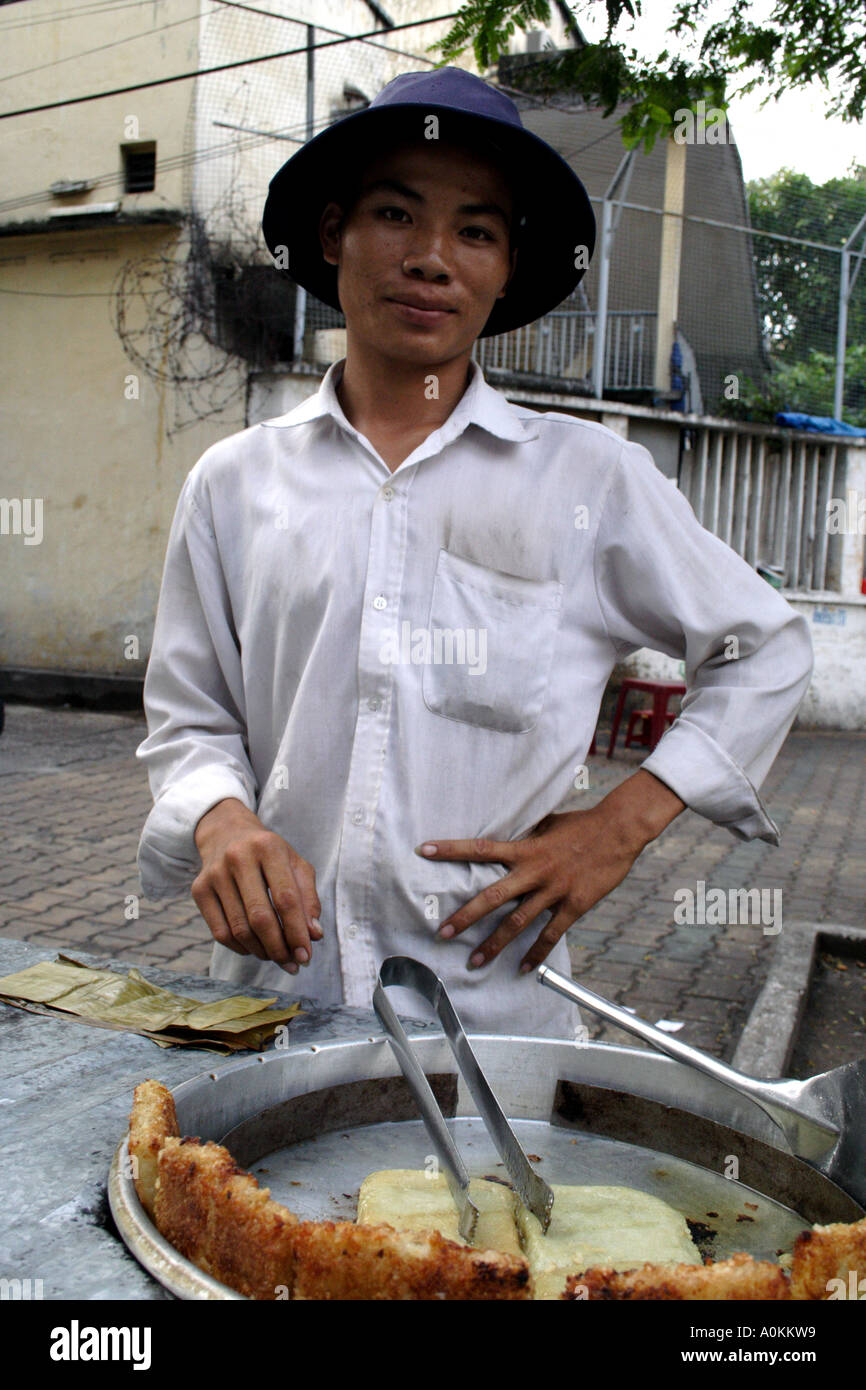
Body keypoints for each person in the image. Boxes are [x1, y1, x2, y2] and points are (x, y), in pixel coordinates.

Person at [135, 67, 813, 1039]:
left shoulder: (586, 481)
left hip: (494, 1024)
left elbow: (766, 646)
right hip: (269, 1006)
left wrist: (615, 828)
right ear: (333, 234)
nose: (431, 259)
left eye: (476, 231)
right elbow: (189, 719)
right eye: (395, 214)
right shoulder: (234, 482)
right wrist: (220, 819)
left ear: (502, 270)